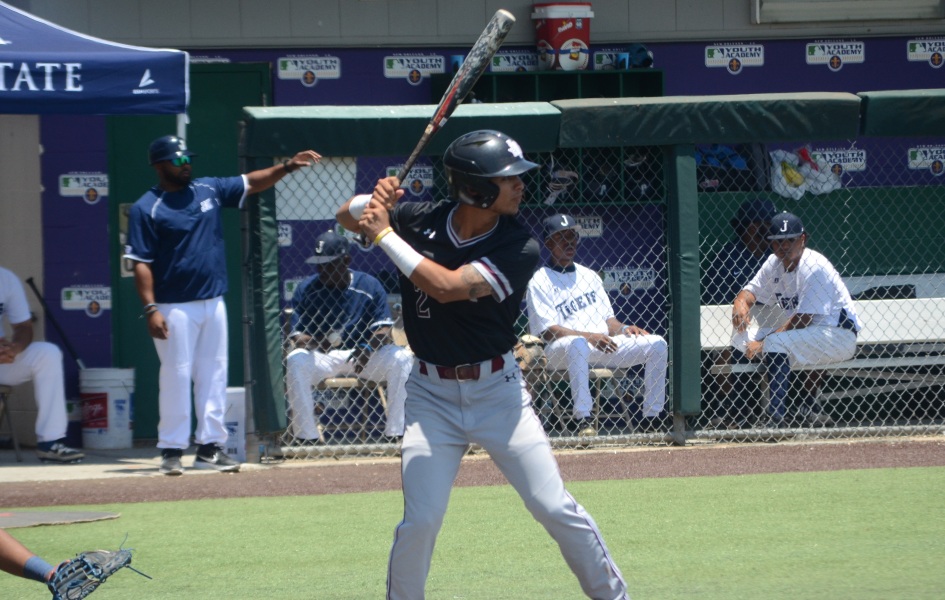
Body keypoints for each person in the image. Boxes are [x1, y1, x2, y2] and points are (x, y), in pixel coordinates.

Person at [338, 130, 628, 600]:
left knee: (553, 506)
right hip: (431, 398)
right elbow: (350, 217)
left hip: (499, 394)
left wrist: (385, 232)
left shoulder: (520, 246)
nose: (520, 185)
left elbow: (447, 286)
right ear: (476, 188)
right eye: (508, 178)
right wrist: (374, 202)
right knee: (422, 520)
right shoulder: (420, 218)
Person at [124, 134, 322, 476]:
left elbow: (252, 182)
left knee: (213, 375)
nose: (186, 165)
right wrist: (150, 308)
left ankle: (209, 448)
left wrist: (287, 166)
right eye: (177, 160)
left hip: (212, 301)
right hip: (173, 307)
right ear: (159, 166)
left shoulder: (208, 189)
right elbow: (141, 262)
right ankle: (171, 449)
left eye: (187, 159)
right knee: (176, 375)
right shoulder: (147, 207)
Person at [526, 214, 669, 436]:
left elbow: (609, 321)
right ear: (548, 243)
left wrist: (623, 329)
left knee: (657, 344)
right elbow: (548, 331)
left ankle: (652, 418)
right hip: (561, 350)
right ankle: (585, 418)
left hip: (602, 345)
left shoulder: (589, 276)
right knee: (577, 344)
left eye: (572, 236)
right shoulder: (540, 280)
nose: (569, 242)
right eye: (561, 237)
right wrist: (590, 336)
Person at [732, 211, 861, 428]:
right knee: (740, 338)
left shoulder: (814, 264)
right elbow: (751, 292)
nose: (784, 246)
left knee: (774, 342)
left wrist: (762, 345)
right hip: (808, 334)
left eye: (790, 240)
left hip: (838, 334)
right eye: (778, 241)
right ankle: (740, 412)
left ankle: (776, 418)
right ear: (771, 244)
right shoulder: (774, 263)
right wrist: (740, 303)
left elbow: (802, 319)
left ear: (802, 239)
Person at [285, 230, 412, 444]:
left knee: (401, 358)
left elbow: (383, 331)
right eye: (319, 265)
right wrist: (317, 342)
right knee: (296, 360)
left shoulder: (368, 285)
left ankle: (397, 434)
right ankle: (308, 439)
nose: (323, 270)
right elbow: (298, 337)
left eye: (329, 264)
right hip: (325, 356)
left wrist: (366, 347)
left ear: (345, 260)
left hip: (363, 356)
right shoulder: (307, 289)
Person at [702, 198, 777, 428]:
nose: (763, 229)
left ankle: (805, 404)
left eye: (767, 224)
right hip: (738, 328)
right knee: (723, 342)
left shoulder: (776, 258)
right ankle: (726, 407)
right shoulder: (728, 256)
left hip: (772, 324)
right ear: (746, 226)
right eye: (758, 224)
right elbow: (715, 302)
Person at [0, 265, 84, 463]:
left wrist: (15, 348)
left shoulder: (5, 278)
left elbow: (23, 327)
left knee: (47, 353)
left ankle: (50, 442)